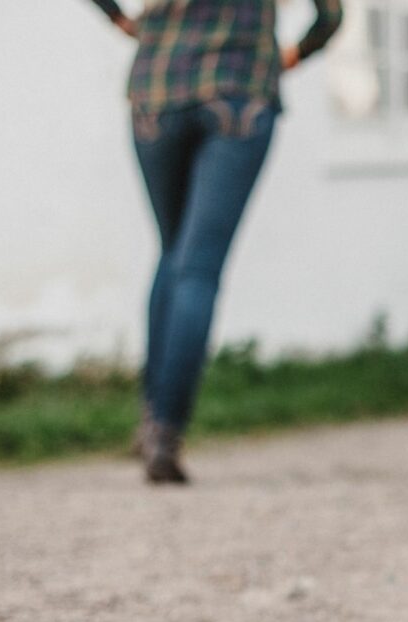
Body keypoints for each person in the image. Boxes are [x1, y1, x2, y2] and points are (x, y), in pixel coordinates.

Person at [88, 0, 343, 483]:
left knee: (172, 252)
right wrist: (294, 54)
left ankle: (150, 423)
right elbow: (330, 15)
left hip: (158, 89)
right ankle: (166, 431)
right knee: (198, 266)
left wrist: (120, 19)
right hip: (239, 91)